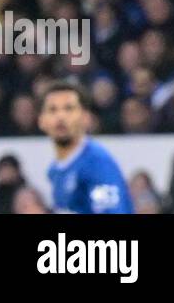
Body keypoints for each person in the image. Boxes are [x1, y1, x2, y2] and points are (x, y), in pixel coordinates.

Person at [39, 81, 132, 214]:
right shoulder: (55, 170)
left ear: (86, 118)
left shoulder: (97, 163)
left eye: (69, 108)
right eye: (52, 110)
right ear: (42, 121)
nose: (61, 117)